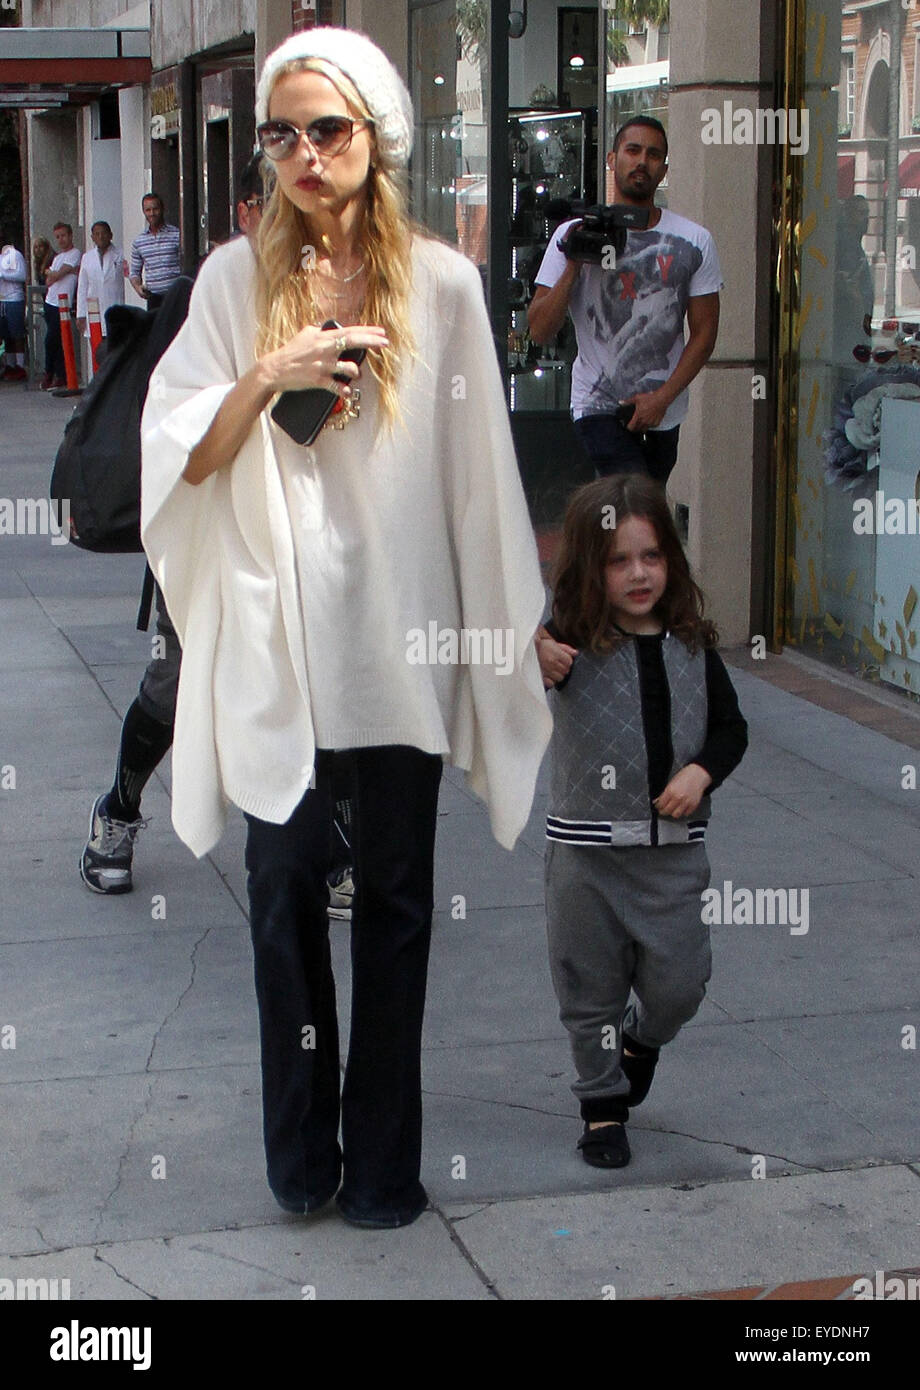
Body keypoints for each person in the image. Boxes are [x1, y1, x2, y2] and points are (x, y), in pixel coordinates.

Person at [140, 27, 551, 1228]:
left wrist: (500, 626)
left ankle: (380, 1170)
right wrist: (270, 375)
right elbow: (185, 463)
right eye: (284, 134)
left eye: (329, 130)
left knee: (400, 910)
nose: (306, 155)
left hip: (402, 644)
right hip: (284, 648)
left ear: (375, 141)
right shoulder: (231, 284)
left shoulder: (444, 286)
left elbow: (479, 476)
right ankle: (300, 1161)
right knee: (279, 897)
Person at [536, 474, 747, 1169]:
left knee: (680, 984)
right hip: (586, 860)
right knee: (587, 988)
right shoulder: (566, 641)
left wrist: (702, 771)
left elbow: (730, 728)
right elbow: (499, 668)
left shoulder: (691, 643)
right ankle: (601, 1106)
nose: (637, 573)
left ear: (671, 560)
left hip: (671, 859)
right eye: (618, 560)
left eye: (651, 556)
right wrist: (527, 649)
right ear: (591, 569)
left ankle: (643, 1041)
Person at [81, 160, 267, 897]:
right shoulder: (202, 295)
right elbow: (169, 427)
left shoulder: (335, 290)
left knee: (321, 682)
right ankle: (118, 810)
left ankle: (337, 852)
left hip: (299, 538)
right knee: (176, 681)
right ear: (249, 211)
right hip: (201, 530)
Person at [528, 116, 722, 484]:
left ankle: (597, 543)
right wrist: (574, 263)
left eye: (653, 155)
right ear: (612, 159)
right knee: (637, 502)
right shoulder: (573, 233)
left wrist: (663, 398)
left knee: (639, 514)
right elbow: (539, 330)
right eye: (632, 151)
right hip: (599, 403)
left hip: (665, 409)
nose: (641, 162)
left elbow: (704, 334)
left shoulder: (694, 241)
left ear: (663, 169)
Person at [42, 222, 83, 389]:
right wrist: (54, 274)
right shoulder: (58, 257)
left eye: (64, 236)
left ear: (70, 235)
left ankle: (53, 372)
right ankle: (57, 373)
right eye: (58, 237)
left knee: (53, 339)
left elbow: (58, 274)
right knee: (55, 339)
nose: (61, 240)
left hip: (63, 302)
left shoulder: (75, 253)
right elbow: (48, 280)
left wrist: (54, 274)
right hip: (50, 301)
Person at [76, 221, 127, 343]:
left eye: (104, 233)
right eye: (97, 234)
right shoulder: (87, 258)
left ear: (111, 235)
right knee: (97, 352)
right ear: (92, 237)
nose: (100, 237)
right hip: (94, 312)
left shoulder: (120, 255)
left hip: (115, 307)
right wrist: (81, 314)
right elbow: (82, 287)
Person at [129, 193, 182, 309]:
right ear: (143, 212)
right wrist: (138, 288)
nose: (152, 213)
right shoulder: (139, 241)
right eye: (148, 210)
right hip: (154, 299)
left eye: (155, 209)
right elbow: (134, 273)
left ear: (162, 209)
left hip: (176, 297)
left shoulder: (177, 235)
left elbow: (187, 265)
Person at [0, 232, 28, 382]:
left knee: (17, 333)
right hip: (1, 300)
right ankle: (10, 366)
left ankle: (20, 366)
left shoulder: (14, 255)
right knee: (6, 335)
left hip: (14, 299)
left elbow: (22, 275)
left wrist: (3, 275)